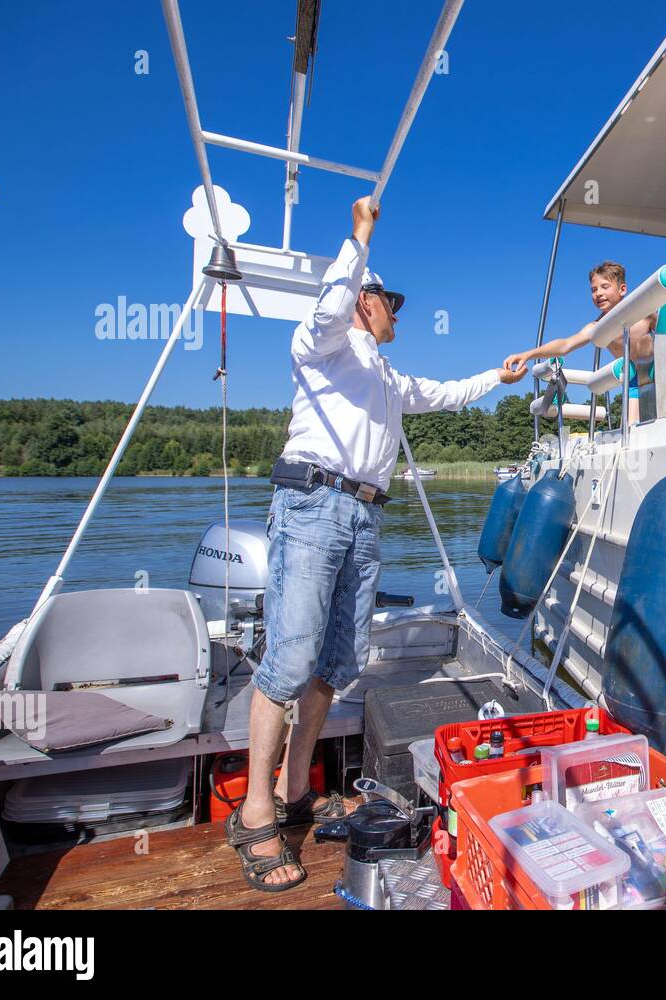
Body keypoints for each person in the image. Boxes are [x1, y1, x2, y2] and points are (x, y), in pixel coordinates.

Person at [226, 196, 528, 891]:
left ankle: (298, 787)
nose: (398, 310)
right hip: (311, 504)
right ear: (366, 301)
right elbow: (329, 308)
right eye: (390, 299)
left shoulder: (388, 380)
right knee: (290, 659)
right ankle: (256, 810)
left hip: (363, 515)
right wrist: (358, 237)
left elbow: (448, 393)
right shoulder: (322, 346)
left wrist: (498, 377)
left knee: (336, 661)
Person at [503, 262, 656, 423]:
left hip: (658, 370)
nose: (598, 293)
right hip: (633, 382)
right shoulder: (597, 327)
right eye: (594, 289)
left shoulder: (644, 312)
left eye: (605, 286)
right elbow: (565, 345)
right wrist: (527, 354)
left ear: (622, 289)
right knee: (631, 429)